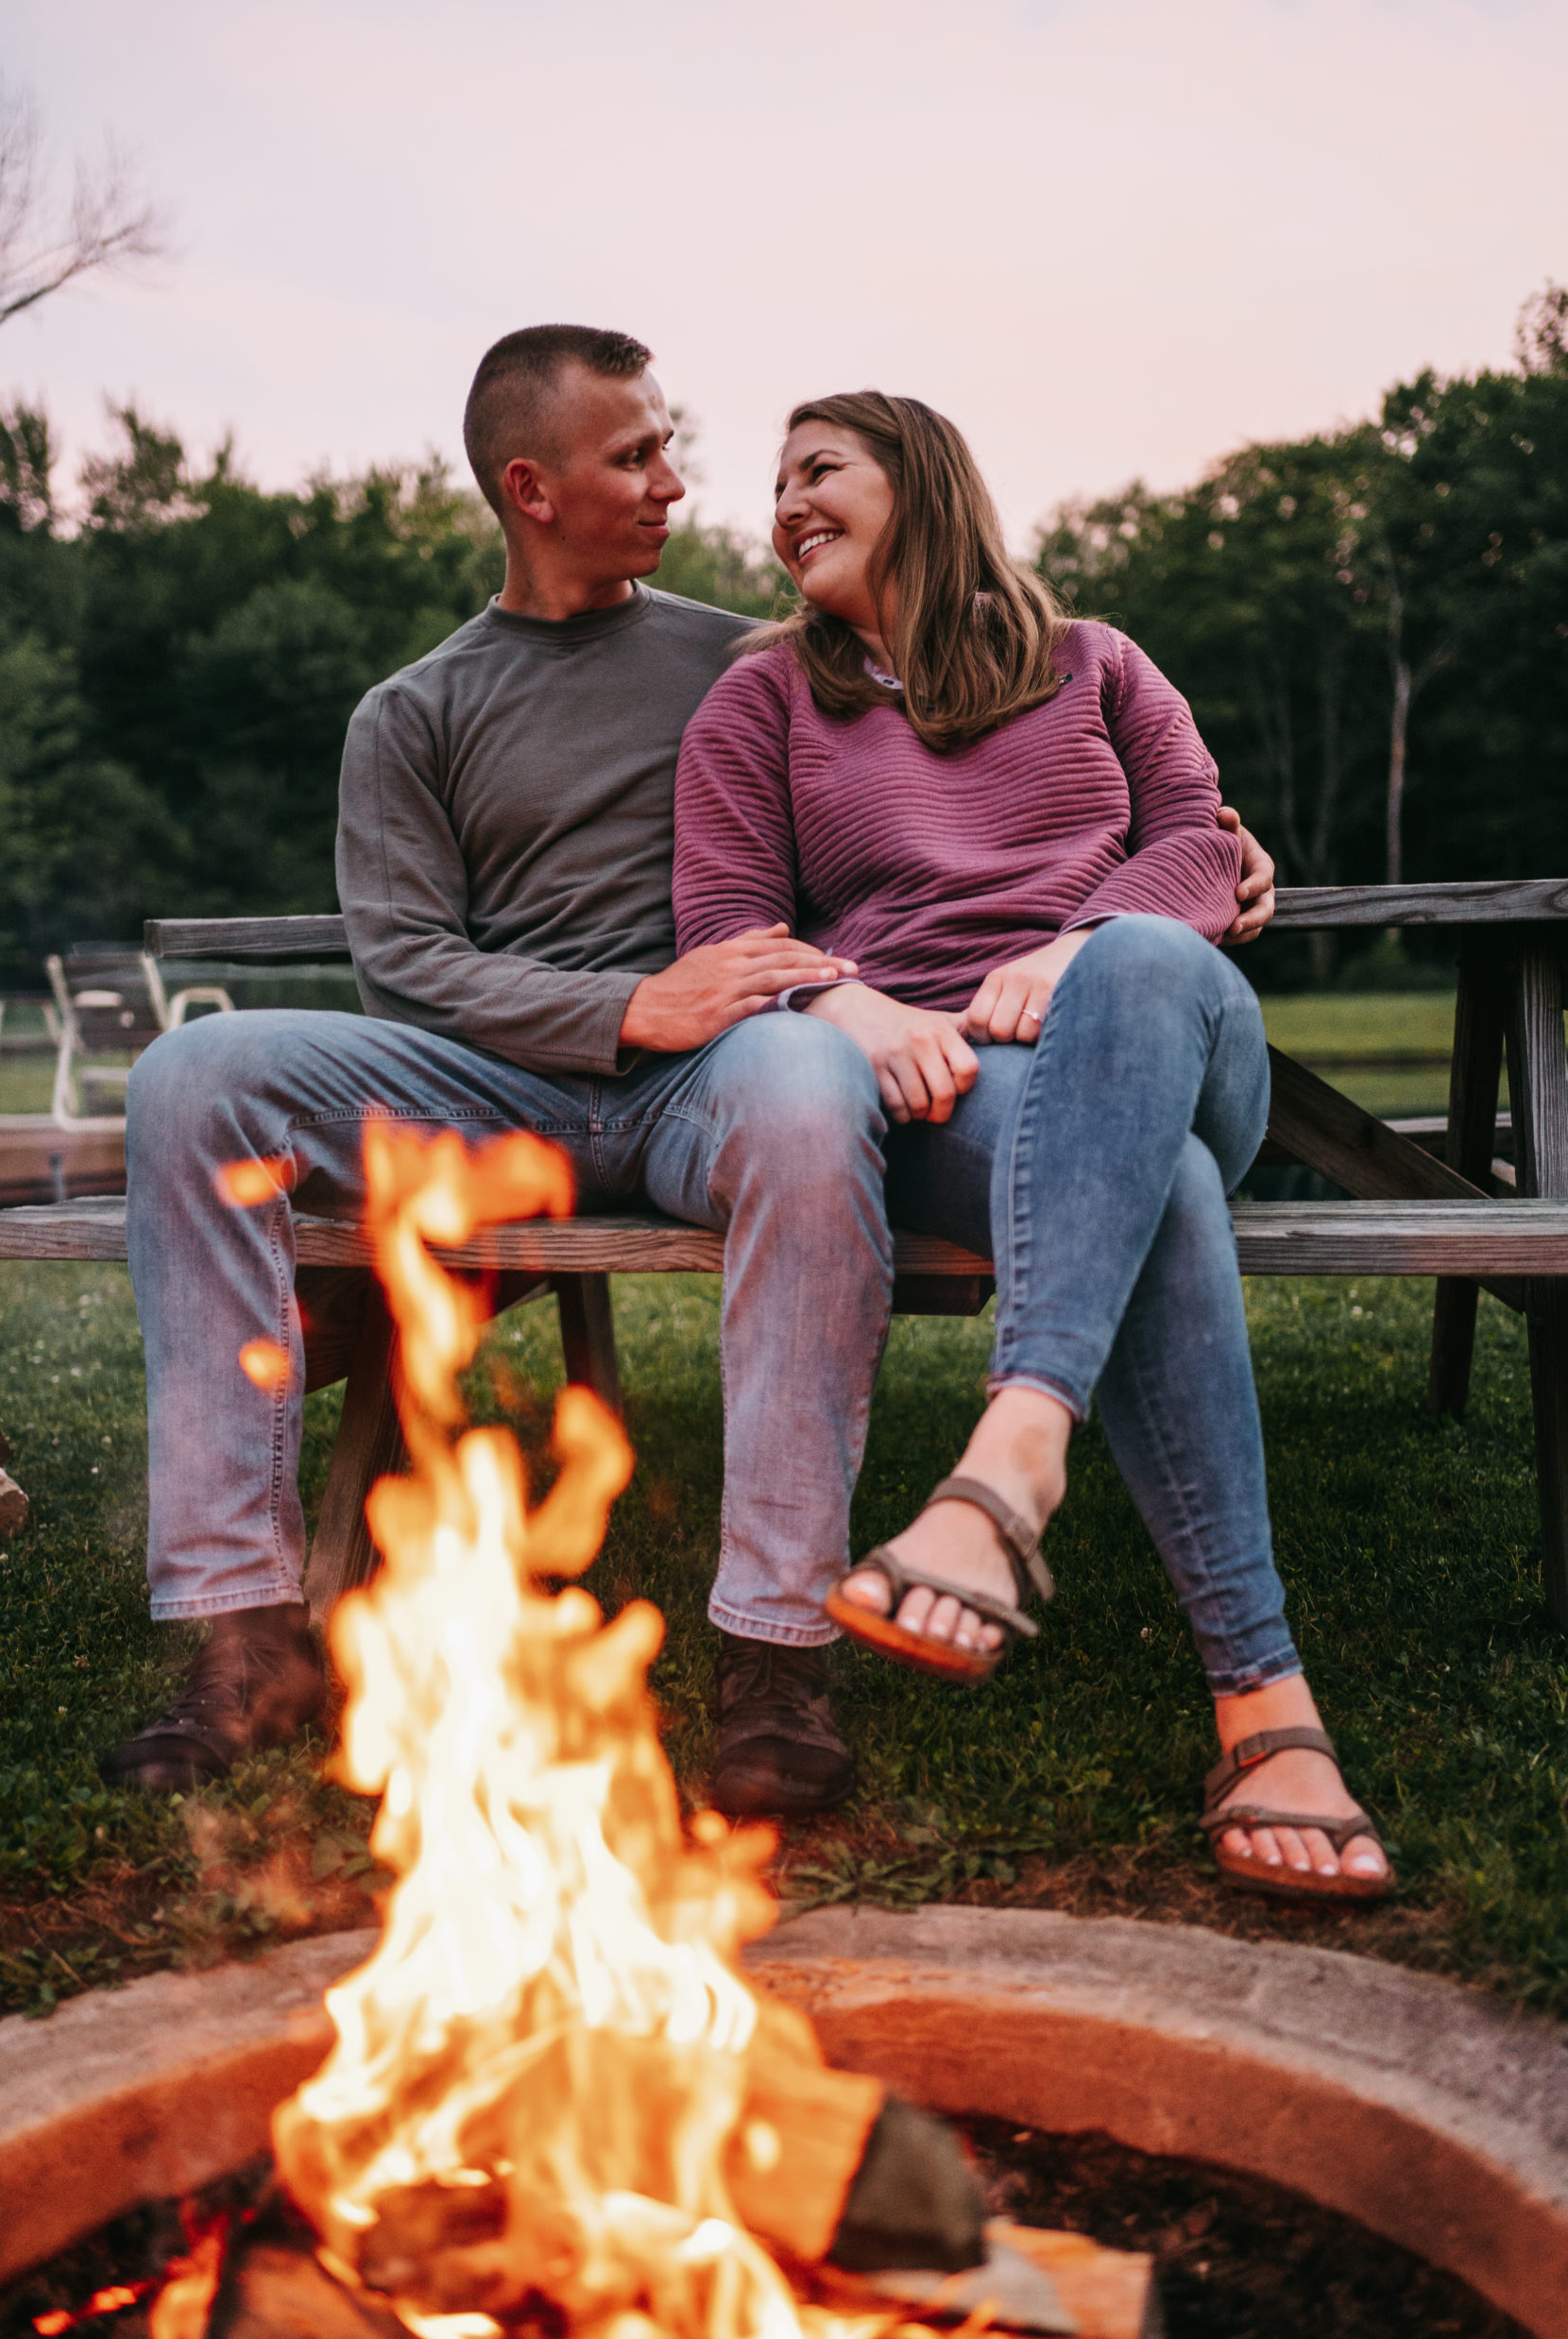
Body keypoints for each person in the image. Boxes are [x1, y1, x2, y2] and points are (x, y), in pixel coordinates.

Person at [102, 326, 1275, 1828]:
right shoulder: (412, 712)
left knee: (801, 1085)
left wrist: (1196, 868)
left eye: (674, 446)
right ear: (531, 488)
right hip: (494, 1083)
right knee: (191, 1074)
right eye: (636, 454)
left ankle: (777, 1655)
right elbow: (406, 965)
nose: (679, 480)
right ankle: (239, 1635)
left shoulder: (767, 659)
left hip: (726, 1065)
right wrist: (626, 1005)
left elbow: (1042, 778)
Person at [673, 391, 1391, 1902]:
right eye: (775, 485)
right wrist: (855, 1007)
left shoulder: (1095, 660)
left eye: (820, 470)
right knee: (1159, 1189)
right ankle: (1262, 1708)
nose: (786, 505)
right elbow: (728, 920)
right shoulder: (763, 700)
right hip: (948, 1092)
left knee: (1143, 967)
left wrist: (1076, 953)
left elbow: (1197, 841)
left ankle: (1008, 1457)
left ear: (922, 480)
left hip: (1159, 1030)